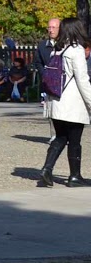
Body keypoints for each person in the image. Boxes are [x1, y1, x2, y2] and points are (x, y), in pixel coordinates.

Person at [40, 19, 91, 187]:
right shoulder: (76, 50)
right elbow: (82, 80)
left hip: (56, 101)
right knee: (75, 140)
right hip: (72, 104)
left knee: (61, 137)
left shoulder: (58, 49)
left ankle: (47, 168)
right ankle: (75, 176)